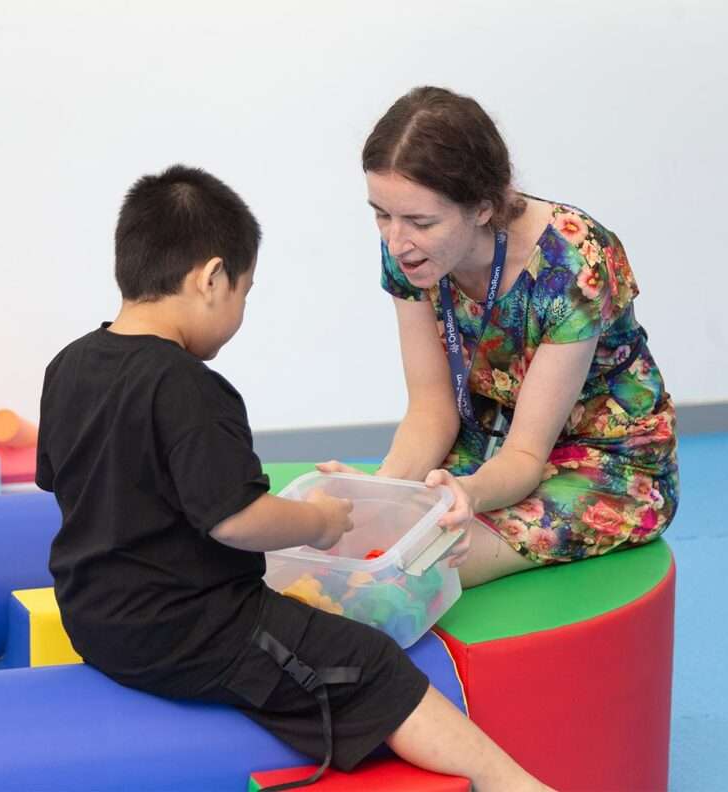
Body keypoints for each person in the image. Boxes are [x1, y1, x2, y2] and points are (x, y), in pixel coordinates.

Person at [35, 165, 552, 790]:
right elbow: (235, 520)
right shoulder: (189, 388)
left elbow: (66, 480)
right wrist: (318, 521)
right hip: (186, 631)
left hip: (88, 615)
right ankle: (511, 781)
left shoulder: (68, 365)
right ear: (211, 279)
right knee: (370, 663)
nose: (241, 311)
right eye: (244, 293)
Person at [322, 86, 678, 588]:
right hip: (487, 438)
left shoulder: (573, 263)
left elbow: (527, 455)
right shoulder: (410, 251)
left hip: (602, 457)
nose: (396, 241)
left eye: (420, 221)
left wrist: (464, 495)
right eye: (381, 214)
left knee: (422, 566)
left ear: (484, 208)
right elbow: (431, 409)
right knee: (360, 537)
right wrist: (383, 491)